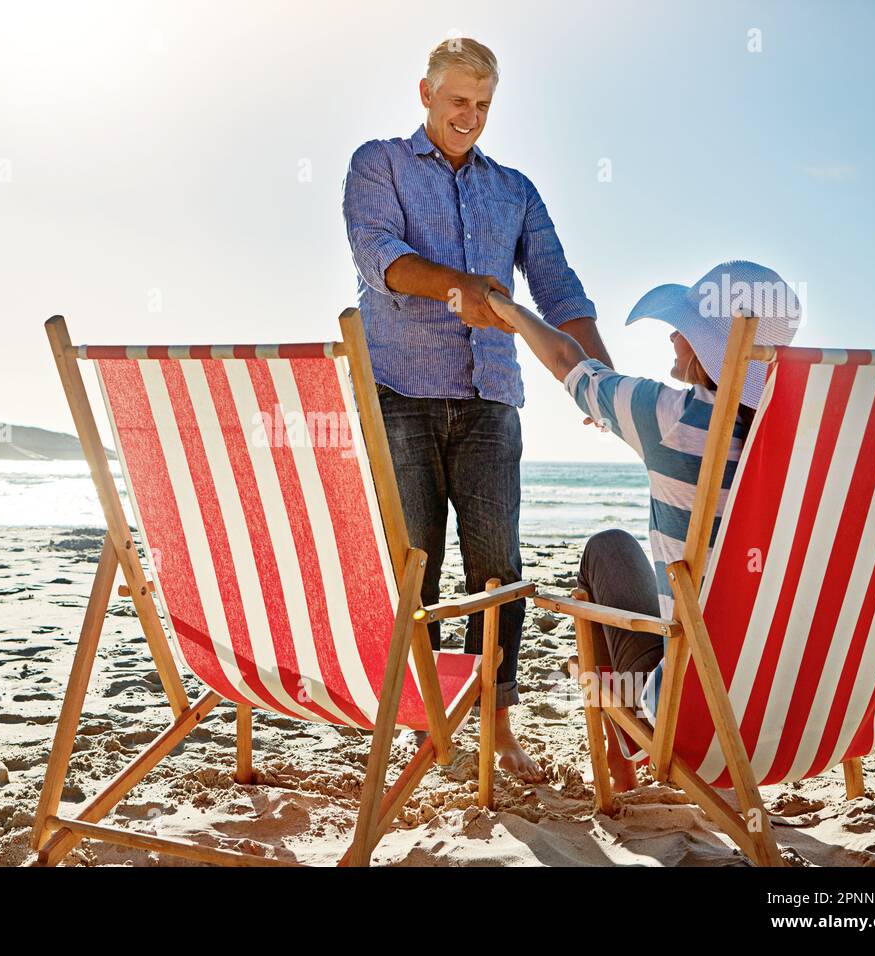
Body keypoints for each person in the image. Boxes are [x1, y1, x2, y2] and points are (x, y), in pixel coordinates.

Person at [343, 36, 612, 781]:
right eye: (458, 100)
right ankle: (423, 723)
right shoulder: (380, 163)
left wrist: (601, 376)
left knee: (497, 571)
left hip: (492, 400)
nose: (470, 116)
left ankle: (495, 727)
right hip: (399, 392)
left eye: (483, 105)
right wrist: (459, 285)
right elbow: (380, 258)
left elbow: (557, 286)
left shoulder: (514, 189)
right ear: (425, 92)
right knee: (415, 571)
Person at [486, 260, 800, 790]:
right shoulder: (810, 437)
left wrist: (510, 310)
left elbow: (567, 358)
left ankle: (622, 752)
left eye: (689, 329)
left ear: (709, 349)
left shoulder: (671, 416)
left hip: (697, 704)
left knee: (607, 549)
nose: (675, 335)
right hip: (793, 700)